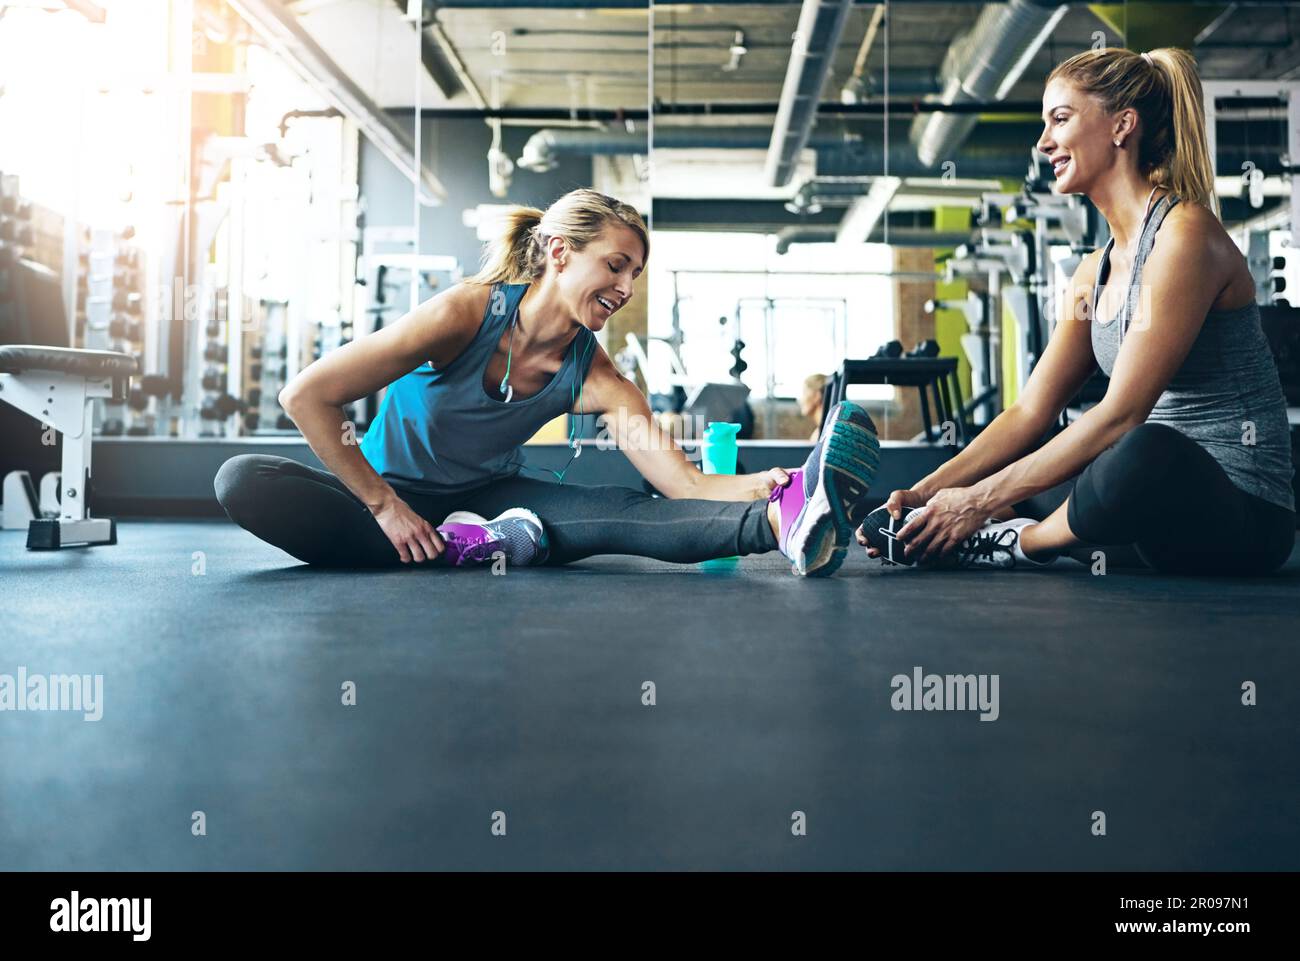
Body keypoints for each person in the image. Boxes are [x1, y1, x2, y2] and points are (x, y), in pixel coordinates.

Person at [214, 188, 881, 576]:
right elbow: (306, 395)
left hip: (489, 495)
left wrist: (783, 485)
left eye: (634, 277)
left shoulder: (596, 374)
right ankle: (466, 545)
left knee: (618, 513)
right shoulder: (462, 314)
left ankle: (788, 526)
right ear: (560, 252)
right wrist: (386, 506)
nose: (624, 289)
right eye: (615, 266)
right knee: (243, 480)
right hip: (384, 496)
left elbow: (684, 487)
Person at [858, 47, 1296, 574]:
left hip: (1237, 516)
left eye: (1060, 119)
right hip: (1142, 518)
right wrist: (930, 493)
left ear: (1122, 126)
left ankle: (1020, 543)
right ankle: (1030, 529)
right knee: (1054, 454)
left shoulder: (1185, 237)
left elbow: (1123, 415)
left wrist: (976, 504)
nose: (1044, 142)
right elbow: (1029, 412)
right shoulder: (1093, 271)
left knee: (1140, 449)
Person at [800, 373, 827, 441]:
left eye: (804, 393)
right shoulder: (822, 432)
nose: (801, 400)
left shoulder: (820, 435)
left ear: (816, 396)